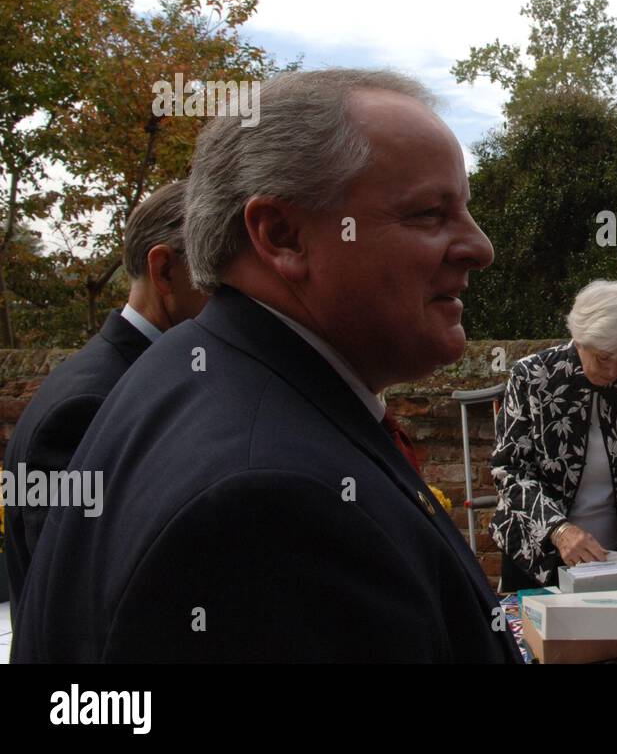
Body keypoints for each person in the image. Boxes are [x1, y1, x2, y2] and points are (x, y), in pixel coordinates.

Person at [12, 68, 521, 662]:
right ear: (282, 235)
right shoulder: (273, 507)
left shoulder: (186, 374)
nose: (479, 247)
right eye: (429, 214)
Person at [3, 180, 206, 615]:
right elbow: (73, 601)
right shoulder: (85, 408)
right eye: (219, 278)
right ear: (165, 271)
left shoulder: (129, 376)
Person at [490, 280, 617, 589]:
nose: (615, 370)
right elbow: (510, 471)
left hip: (615, 559)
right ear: (579, 340)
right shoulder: (532, 377)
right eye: (604, 357)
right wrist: (559, 529)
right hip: (534, 554)